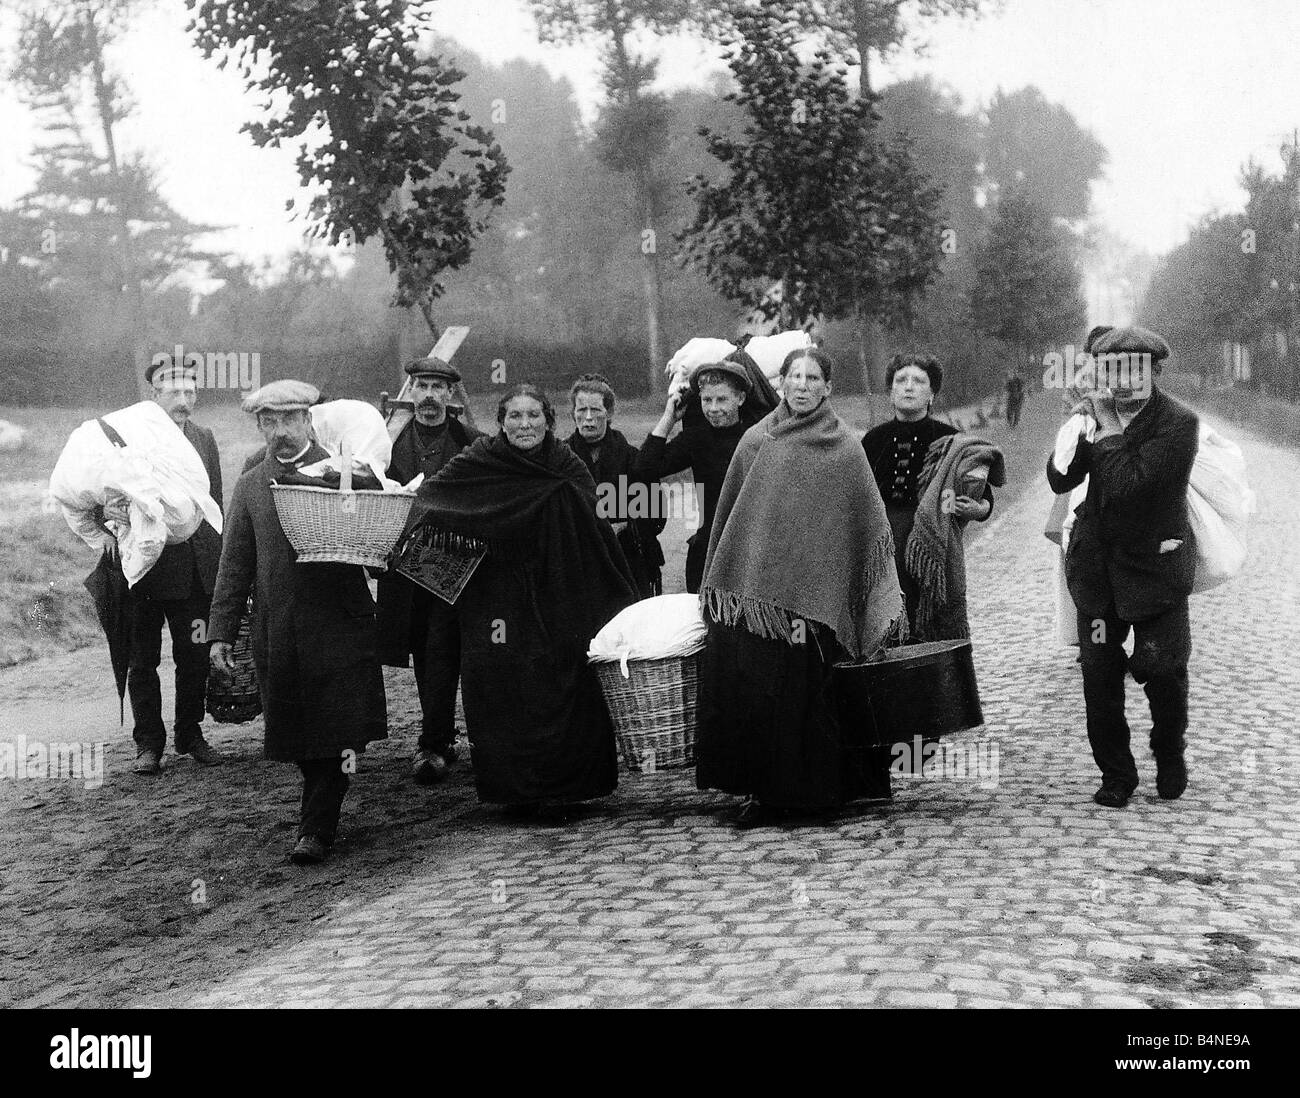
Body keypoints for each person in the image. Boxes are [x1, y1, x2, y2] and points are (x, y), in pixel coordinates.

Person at [402, 383, 637, 816]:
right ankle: (515, 792)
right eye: (515, 416)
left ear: (549, 421)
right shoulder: (480, 461)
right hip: (495, 600)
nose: (524, 424)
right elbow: (428, 498)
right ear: (501, 423)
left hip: (559, 595)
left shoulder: (566, 465)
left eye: (534, 416)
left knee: (565, 679)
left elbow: (595, 527)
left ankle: (569, 789)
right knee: (500, 683)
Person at [696, 348, 906, 828]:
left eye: (814, 378)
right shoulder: (755, 442)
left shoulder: (846, 447)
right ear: (783, 382)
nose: (804, 385)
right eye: (796, 376)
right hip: (758, 596)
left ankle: (814, 795)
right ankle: (762, 794)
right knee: (759, 693)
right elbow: (732, 523)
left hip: (819, 603)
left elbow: (864, 527)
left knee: (809, 698)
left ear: (828, 388)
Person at [208, 380, 387, 864]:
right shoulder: (250, 486)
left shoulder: (346, 474)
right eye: (270, 421)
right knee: (301, 731)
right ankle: (319, 809)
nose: (281, 431)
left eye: (291, 419)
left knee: (339, 725)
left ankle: (316, 829)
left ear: (311, 421)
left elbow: (381, 542)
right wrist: (220, 632)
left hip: (341, 624)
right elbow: (235, 563)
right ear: (260, 426)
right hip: (281, 630)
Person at [1046, 325, 1199, 809]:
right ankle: (1117, 774)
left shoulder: (1178, 422)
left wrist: (1107, 422)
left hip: (1157, 568)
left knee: (1165, 670)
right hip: (1097, 572)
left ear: (1156, 372)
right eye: (1113, 369)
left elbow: (1134, 483)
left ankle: (1169, 751)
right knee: (1099, 676)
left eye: (1136, 369)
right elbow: (1059, 477)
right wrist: (1074, 427)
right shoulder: (1092, 416)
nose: (1125, 380)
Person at [376, 357, 484, 785]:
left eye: (439, 387)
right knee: (424, 650)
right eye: (421, 386)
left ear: (451, 395)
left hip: (457, 566)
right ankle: (437, 738)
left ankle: (441, 740)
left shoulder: (471, 442)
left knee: (455, 649)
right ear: (410, 391)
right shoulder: (387, 441)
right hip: (405, 567)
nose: (429, 396)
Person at [125, 360, 224, 775]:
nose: (183, 401)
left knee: (195, 654)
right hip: (144, 571)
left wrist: (223, 570)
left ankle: (190, 732)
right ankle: (149, 742)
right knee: (141, 660)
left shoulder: (203, 438)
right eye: (173, 392)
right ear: (154, 395)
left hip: (194, 571)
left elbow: (215, 503)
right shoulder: (129, 439)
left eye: (189, 391)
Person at [862, 353, 996, 638]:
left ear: (932, 393)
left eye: (919, 381)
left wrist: (978, 509)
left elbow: (984, 496)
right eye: (901, 380)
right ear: (890, 391)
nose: (909, 387)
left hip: (936, 548)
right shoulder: (873, 441)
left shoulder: (952, 441)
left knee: (936, 629)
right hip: (884, 549)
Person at [637, 358, 772, 593]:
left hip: (753, 549)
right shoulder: (697, 438)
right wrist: (670, 417)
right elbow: (644, 469)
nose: (713, 408)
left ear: (740, 399)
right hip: (708, 548)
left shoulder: (757, 436)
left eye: (722, 399)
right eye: (706, 400)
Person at [564, 373, 664, 598]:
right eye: (581, 411)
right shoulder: (560, 458)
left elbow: (656, 518)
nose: (588, 418)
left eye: (596, 411)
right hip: (577, 560)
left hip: (627, 559)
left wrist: (626, 525)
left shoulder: (631, 458)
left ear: (608, 414)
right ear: (573, 414)